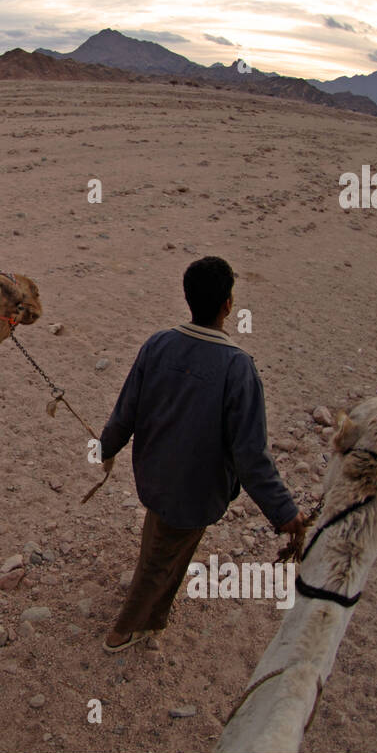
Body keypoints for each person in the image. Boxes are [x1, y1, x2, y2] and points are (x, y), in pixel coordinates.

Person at [96, 256, 308, 652]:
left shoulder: (158, 344)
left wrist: (105, 448)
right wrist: (285, 513)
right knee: (163, 558)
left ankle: (155, 615)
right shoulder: (237, 367)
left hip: (155, 475)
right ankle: (123, 631)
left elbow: (126, 411)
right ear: (228, 304)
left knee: (161, 543)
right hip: (195, 490)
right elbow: (251, 455)